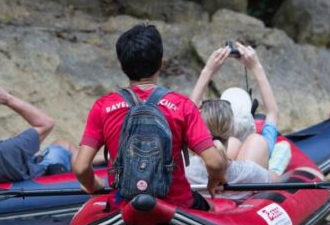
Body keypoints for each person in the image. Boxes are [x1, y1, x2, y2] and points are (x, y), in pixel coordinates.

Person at [72, 24, 228, 210]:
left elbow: (81, 168)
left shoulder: (103, 107)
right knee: (213, 209)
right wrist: (214, 180)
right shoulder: (182, 105)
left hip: (122, 206)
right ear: (161, 63)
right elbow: (215, 163)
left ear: (122, 65)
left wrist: (93, 186)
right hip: (177, 204)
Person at [187, 41, 289, 191]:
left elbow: (186, 116)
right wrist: (256, 67)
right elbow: (272, 113)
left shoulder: (187, 168)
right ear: (230, 129)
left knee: (237, 143)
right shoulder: (249, 172)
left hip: (197, 207)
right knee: (255, 141)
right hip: (242, 199)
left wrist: (208, 70)